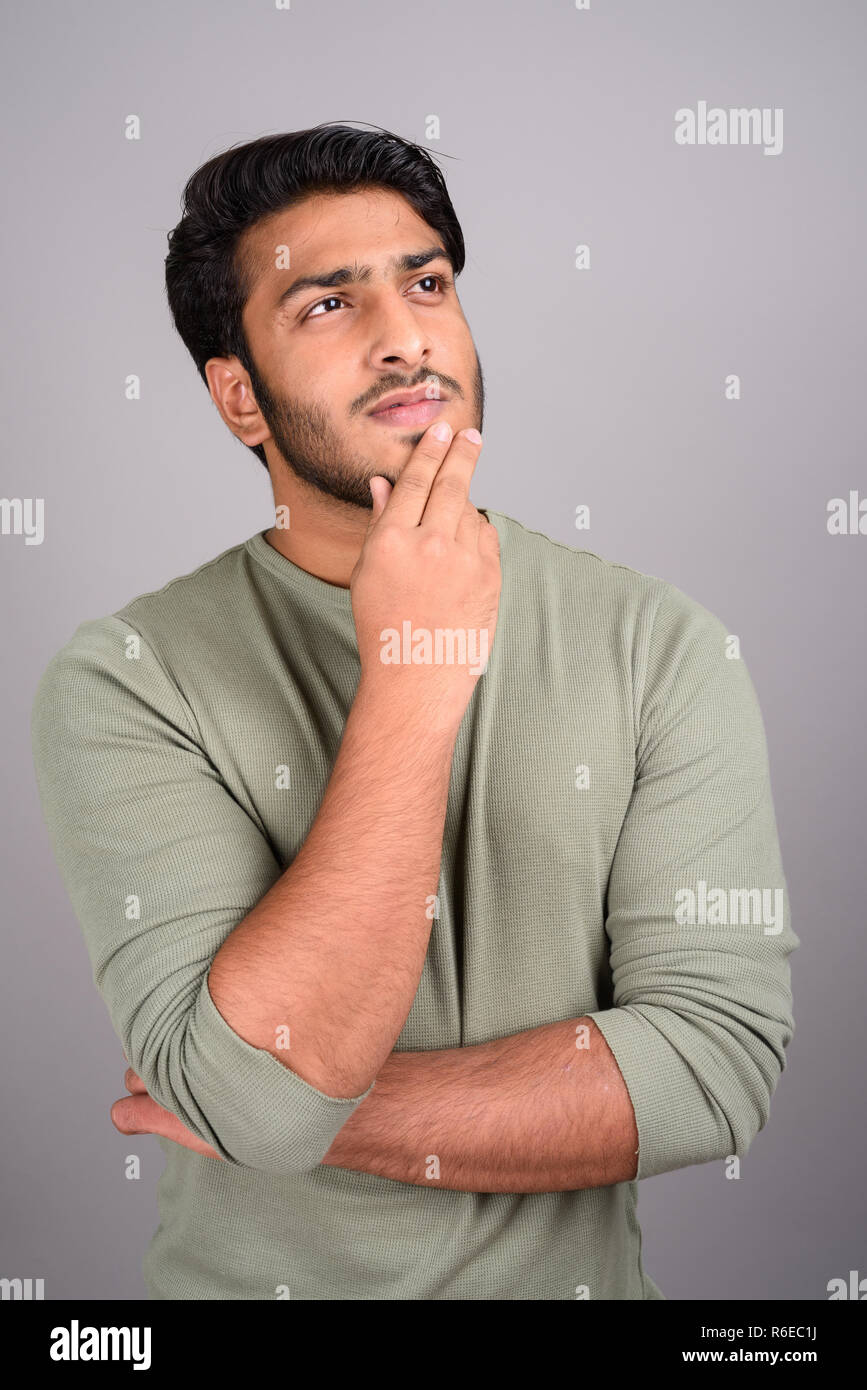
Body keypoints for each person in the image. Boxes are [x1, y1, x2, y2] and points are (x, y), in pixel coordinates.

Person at [30, 122, 797, 1301]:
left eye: (427, 283)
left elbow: (713, 1069)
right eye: (328, 306)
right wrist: (415, 670)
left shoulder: (659, 642)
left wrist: (273, 1110)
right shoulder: (130, 678)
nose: (406, 339)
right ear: (239, 397)